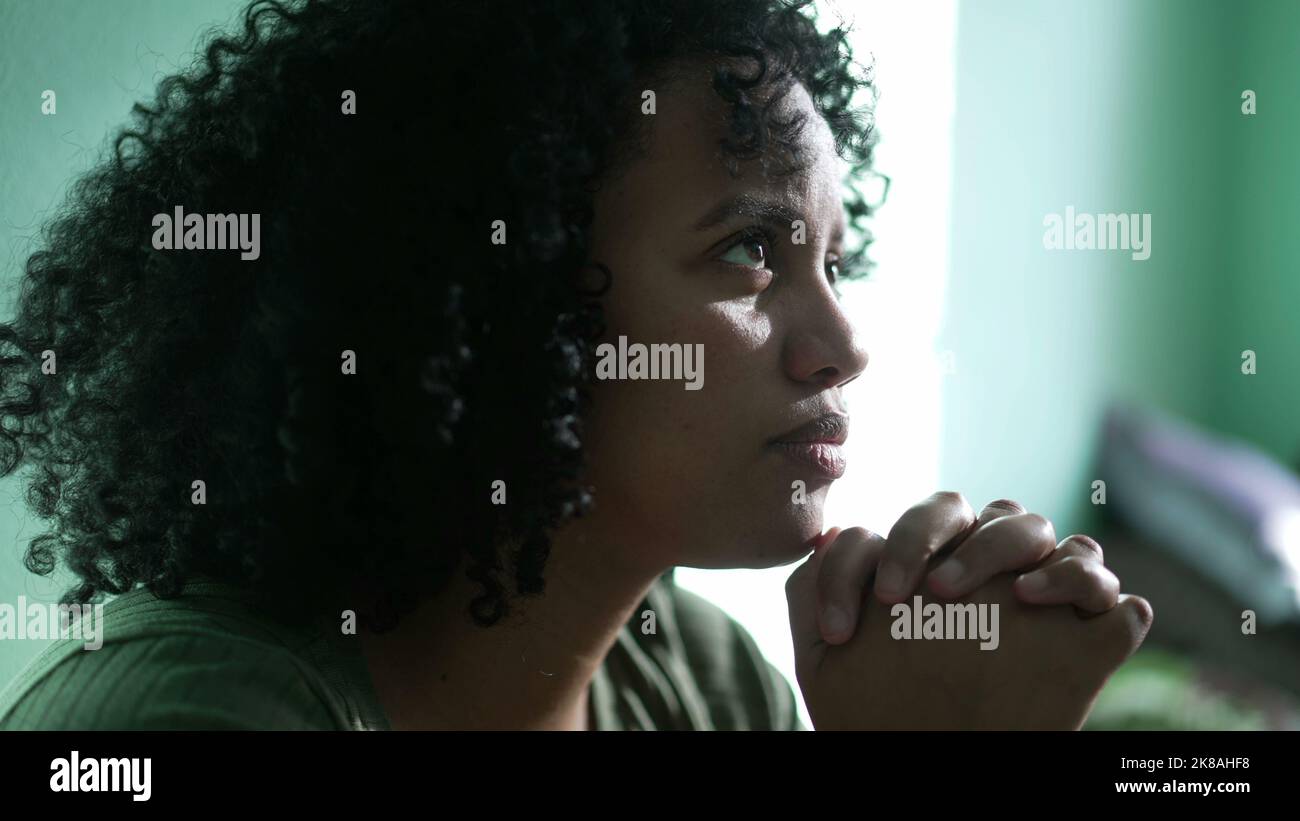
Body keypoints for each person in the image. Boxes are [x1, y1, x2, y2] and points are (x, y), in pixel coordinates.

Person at [0, 0, 1150, 731]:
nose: (845, 343)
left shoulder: (702, 678)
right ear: (501, 293)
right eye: (749, 249)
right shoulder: (188, 717)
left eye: (833, 259)